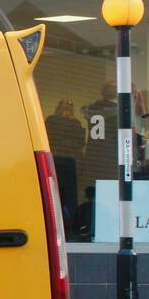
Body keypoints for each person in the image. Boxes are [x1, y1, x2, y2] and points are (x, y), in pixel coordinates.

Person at [45, 99, 85, 237]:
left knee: (54, 194)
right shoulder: (75, 124)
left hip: (55, 161)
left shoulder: (51, 121)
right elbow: (81, 142)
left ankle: (56, 223)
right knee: (68, 196)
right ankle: (68, 224)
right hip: (68, 163)